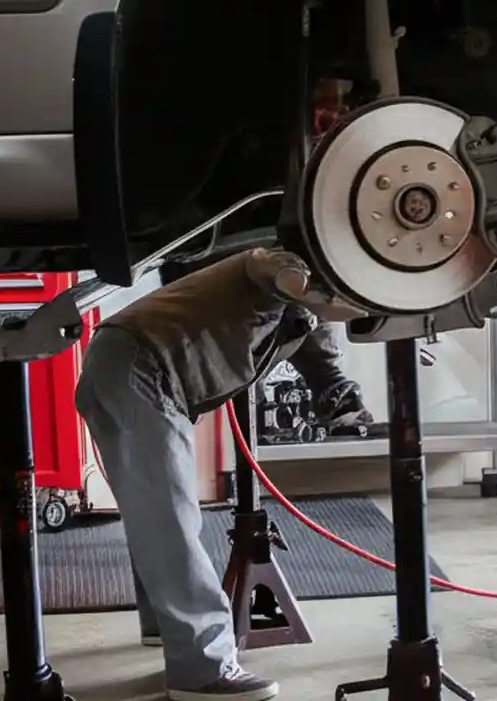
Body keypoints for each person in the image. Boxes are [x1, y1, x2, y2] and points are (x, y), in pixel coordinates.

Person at [74, 247, 370, 701]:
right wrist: (365, 295)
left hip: (123, 359)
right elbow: (280, 272)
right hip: (140, 365)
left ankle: (165, 626)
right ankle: (202, 668)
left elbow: (320, 352)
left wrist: (339, 398)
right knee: (169, 519)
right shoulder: (274, 262)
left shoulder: (301, 312)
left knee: (151, 510)